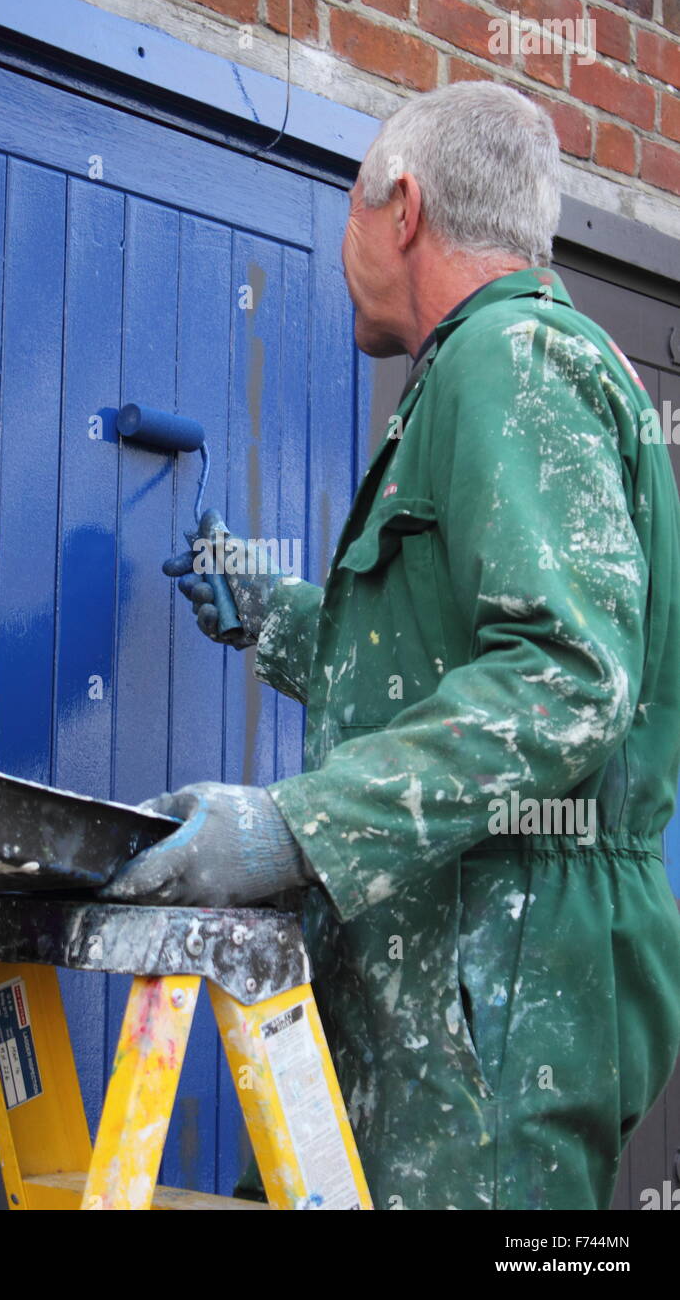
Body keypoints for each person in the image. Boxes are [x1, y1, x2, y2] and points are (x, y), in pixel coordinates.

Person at [104, 81, 680, 1211]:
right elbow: (437, 666)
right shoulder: (494, 369)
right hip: (460, 970)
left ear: (400, 206)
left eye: (347, 212)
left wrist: (293, 825)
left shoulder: (509, 357)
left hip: (496, 990)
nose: (341, 249)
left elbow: (564, 681)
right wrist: (270, 611)